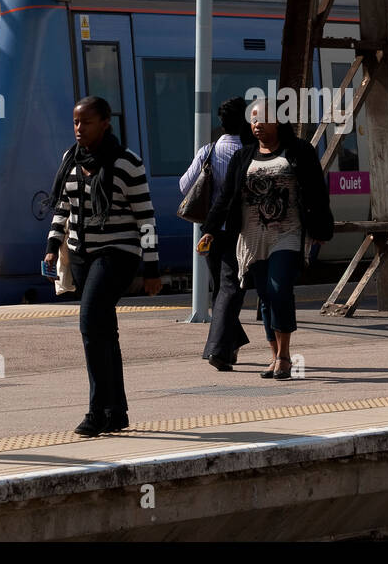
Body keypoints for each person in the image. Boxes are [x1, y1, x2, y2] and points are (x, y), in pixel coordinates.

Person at [44, 97, 162, 437]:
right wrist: (52, 246)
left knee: (90, 322)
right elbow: (64, 207)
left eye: (86, 123)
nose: (79, 129)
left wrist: (151, 268)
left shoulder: (127, 163)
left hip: (118, 254)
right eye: (76, 123)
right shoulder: (71, 159)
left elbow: (146, 218)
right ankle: (117, 411)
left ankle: (96, 411)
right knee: (104, 332)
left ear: (105, 123)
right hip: (81, 255)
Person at [199, 100, 334, 380]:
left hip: (287, 233)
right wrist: (210, 229)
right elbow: (226, 197)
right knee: (264, 298)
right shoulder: (243, 156)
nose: (257, 123)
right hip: (251, 238)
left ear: (278, 121)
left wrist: (321, 230)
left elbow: (317, 193)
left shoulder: (299, 152)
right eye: (253, 119)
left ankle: (285, 357)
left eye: (263, 118)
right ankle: (273, 356)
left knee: (278, 290)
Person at [179, 96, 250, 368]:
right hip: (240, 231)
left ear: (221, 123)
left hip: (209, 231)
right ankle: (219, 349)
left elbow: (185, 186)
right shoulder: (250, 151)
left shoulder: (207, 151)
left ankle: (231, 345)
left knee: (221, 288)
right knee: (231, 288)